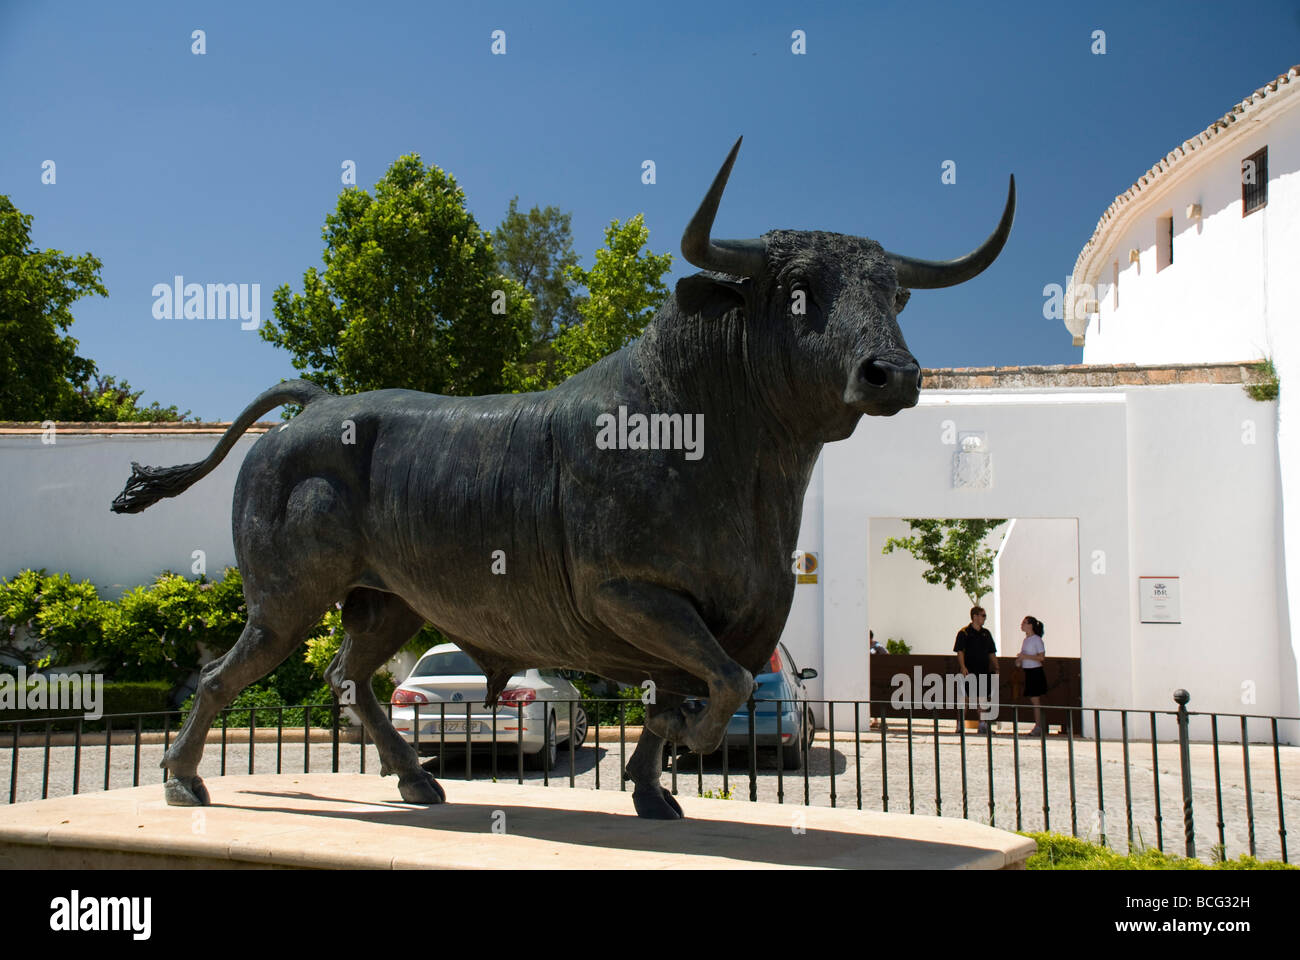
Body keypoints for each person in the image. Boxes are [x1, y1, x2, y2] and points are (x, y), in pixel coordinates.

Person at [954, 606, 998, 734]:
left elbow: (991, 652)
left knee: (983, 698)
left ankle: (982, 724)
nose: (985, 618)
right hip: (969, 671)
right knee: (965, 698)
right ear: (975, 616)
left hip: (983, 670)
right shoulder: (964, 633)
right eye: (983, 615)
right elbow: (960, 651)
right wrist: (963, 667)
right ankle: (960, 724)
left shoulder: (986, 633)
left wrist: (996, 667)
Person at [1016, 615, 1047, 736]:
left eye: (1024, 623)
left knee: (1036, 700)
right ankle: (1038, 724)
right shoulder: (1026, 640)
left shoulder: (1037, 640)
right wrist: (1019, 660)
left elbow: (1041, 657)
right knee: (1033, 700)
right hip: (1028, 671)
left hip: (1035, 671)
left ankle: (1038, 725)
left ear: (1030, 625)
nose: (1022, 625)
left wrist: (1026, 657)